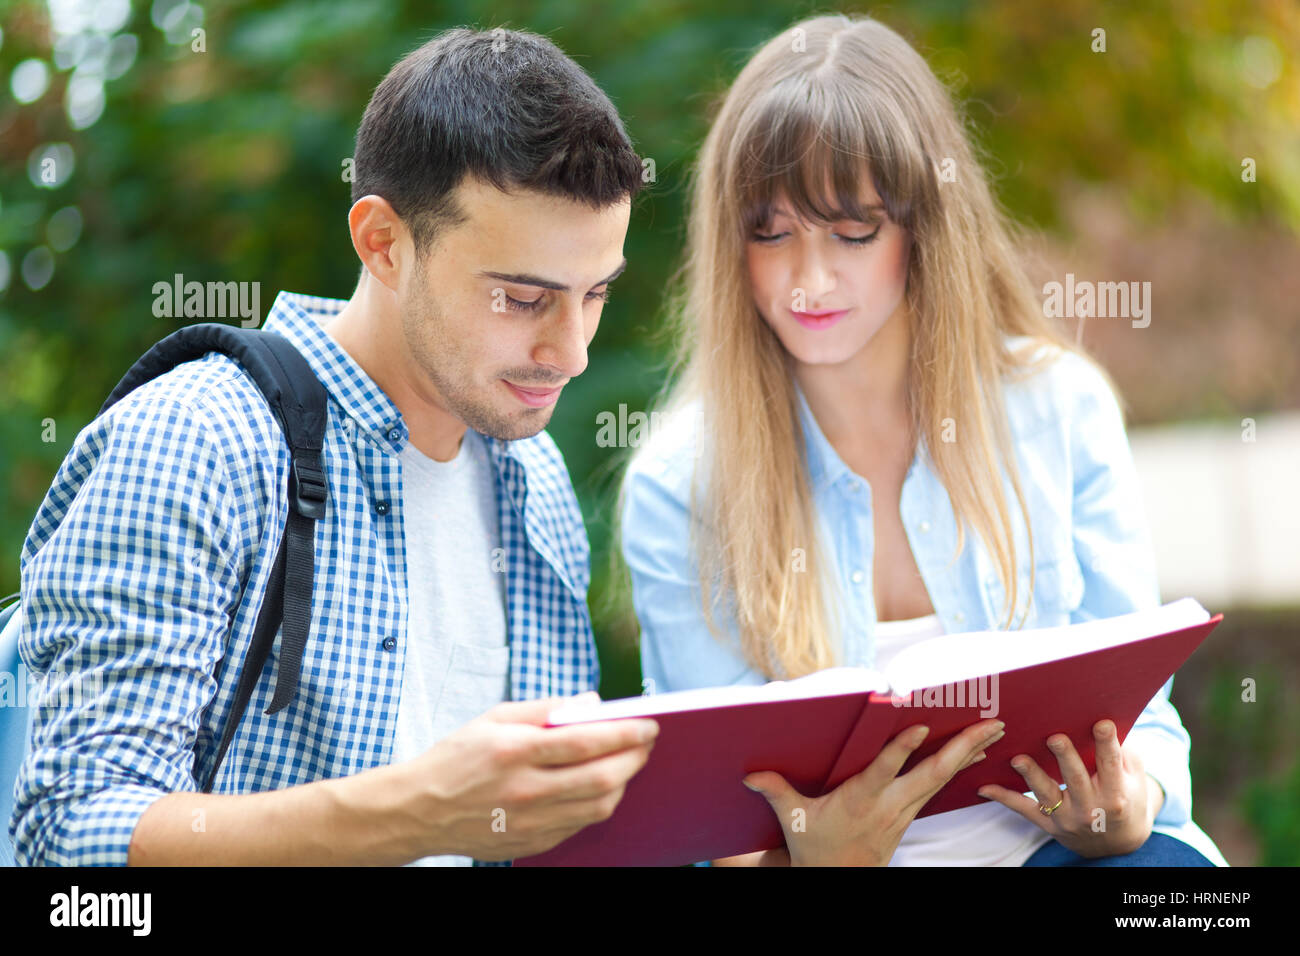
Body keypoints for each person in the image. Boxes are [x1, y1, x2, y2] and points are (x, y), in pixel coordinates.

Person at [10, 27, 659, 867]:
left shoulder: (533, 477)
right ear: (383, 242)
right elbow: (69, 844)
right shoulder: (196, 441)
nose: (570, 352)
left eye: (595, 294)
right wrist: (414, 812)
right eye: (521, 298)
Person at [618, 13, 1227, 866]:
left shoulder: (1060, 408)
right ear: (732, 243)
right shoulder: (680, 482)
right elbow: (713, 830)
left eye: (853, 232)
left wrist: (1128, 807)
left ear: (921, 232)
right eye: (771, 233)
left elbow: (1146, 727)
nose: (811, 279)